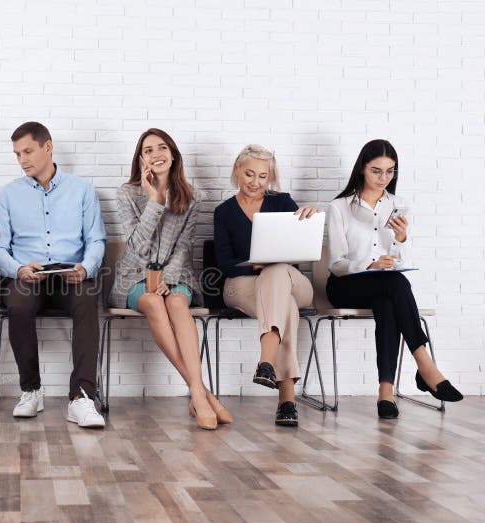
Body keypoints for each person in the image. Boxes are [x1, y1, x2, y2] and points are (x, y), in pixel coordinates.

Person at [326, 139, 462, 418]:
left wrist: (400, 240)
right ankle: (424, 364)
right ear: (362, 168)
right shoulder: (340, 207)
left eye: (390, 171)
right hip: (345, 286)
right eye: (376, 171)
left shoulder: (399, 205)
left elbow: (401, 263)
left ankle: (385, 393)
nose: (383, 178)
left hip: (385, 288)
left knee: (388, 303)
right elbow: (336, 264)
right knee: (396, 284)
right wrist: (370, 264)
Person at [108, 128, 232, 430]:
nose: (157, 154)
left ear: (173, 155)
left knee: (176, 302)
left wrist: (168, 276)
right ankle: (201, 394)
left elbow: (185, 245)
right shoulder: (127, 193)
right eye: (148, 150)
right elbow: (136, 247)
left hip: (177, 275)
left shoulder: (193, 196)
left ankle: (197, 394)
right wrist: (155, 200)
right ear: (141, 160)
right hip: (132, 277)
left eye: (162, 147)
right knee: (153, 301)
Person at [0, 121, 106, 428]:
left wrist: (86, 268)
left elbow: (96, 239)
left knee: (87, 301)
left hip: (71, 275)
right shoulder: (8, 195)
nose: (22, 160)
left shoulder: (81, 190)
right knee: (18, 305)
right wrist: (18, 269)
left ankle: (81, 397)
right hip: (27, 274)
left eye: (28, 151)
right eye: (17, 154)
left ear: (48, 147)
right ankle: (31, 391)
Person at [213, 144, 320, 427]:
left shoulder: (283, 202)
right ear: (237, 170)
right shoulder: (224, 212)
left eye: (263, 176)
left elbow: (301, 248)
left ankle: (267, 361)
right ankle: (287, 401)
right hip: (243, 285)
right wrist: (255, 266)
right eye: (249, 174)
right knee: (284, 306)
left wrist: (309, 218)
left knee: (277, 272)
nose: (256, 182)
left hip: (293, 283)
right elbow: (224, 262)